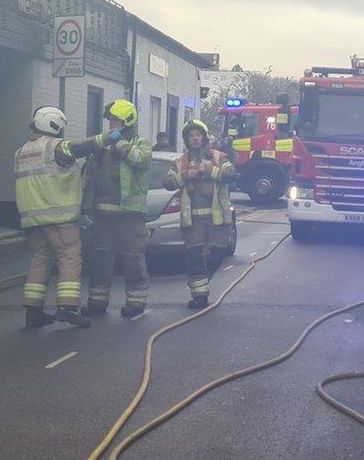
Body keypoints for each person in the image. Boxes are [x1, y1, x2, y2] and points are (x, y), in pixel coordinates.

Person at [15, 106, 124, 328]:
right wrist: (112, 135)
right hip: (59, 217)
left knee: (40, 261)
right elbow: (81, 146)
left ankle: (33, 311)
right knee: (70, 258)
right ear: (53, 124)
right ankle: (67, 308)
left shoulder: (22, 151)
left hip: (32, 221)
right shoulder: (55, 147)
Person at [79, 100, 152, 319]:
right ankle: (97, 302)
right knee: (99, 259)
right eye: (110, 121)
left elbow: (138, 160)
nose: (111, 125)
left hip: (129, 214)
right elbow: (88, 174)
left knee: (132, 259)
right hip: (102, 214)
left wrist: (118, 142)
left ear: (127, 121)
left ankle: (136, 302)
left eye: (115, 121)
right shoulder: (102, 146)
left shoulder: (141, 144)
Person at [164, 120, 236, 309]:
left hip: (217, 219)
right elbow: (168, 181)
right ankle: (199, 296)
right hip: (193, 219)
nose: (195, 139)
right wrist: (186, 175)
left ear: (203, 137)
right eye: (191, 135)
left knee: (216, 255)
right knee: (195, 258)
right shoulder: (181, 162)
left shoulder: (219, 157)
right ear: (187, 139)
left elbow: (230, 175)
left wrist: (209, 169)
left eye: (198, 135)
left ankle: (202, 283)